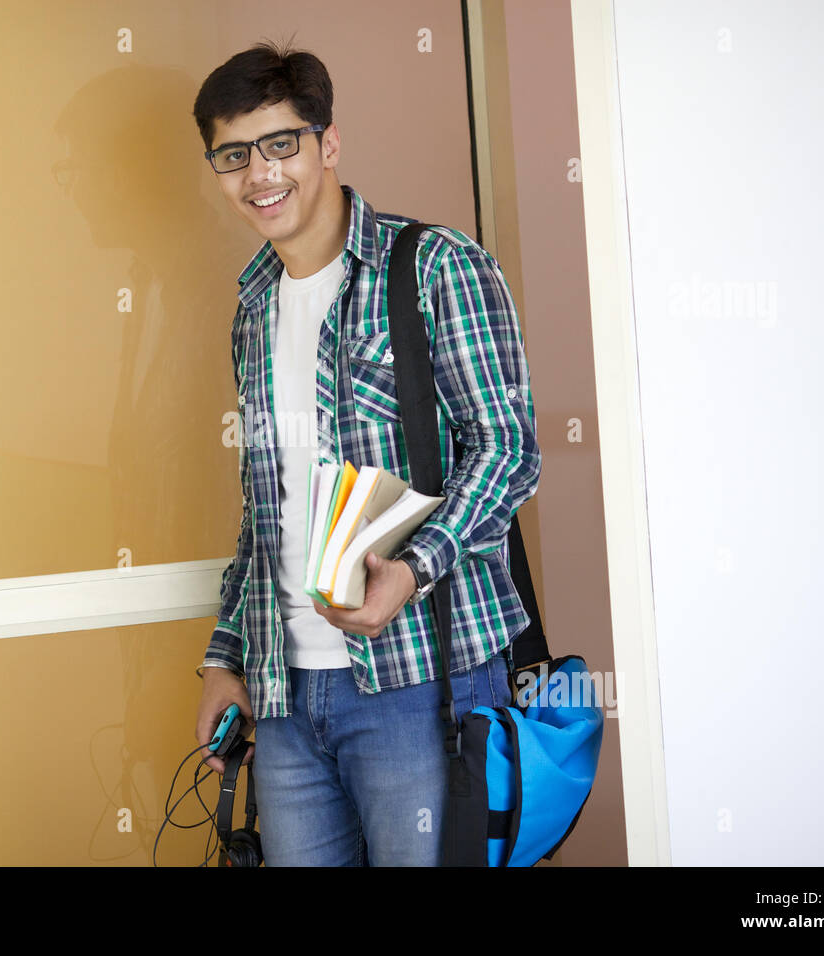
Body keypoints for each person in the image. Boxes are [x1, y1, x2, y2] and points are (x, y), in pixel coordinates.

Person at [190, 40, 542, 866]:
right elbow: (262, 508)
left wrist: (411, 571)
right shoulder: (250, 310)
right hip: (282, 697)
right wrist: (224, 658)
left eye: (281, 144)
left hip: (420, 681)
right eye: (233, 155)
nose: (260, 175)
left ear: (328, 144)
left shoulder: (433, 269)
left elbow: (510, 449)